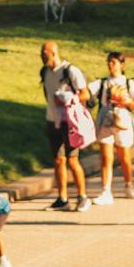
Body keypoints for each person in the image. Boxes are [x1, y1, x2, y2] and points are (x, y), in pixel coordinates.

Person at [40, 40, 92, 212]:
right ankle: (62, 198)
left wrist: (67, 98)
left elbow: (85, 93)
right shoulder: (45, 72)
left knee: (72, 159)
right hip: (52, 120)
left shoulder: (70, 71)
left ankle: (82, 196)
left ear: (53, 52)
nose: (42, 57)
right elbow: (48, 94)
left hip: (70, 122)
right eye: (41, 54)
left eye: (44, 54)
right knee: (58, 159)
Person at [92, 50, 134, 205]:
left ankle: (128, 185)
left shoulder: (128, 83)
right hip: (106, 121)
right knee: (106, 157)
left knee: (124, 157)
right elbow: (86, 91)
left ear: (122, 64)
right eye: (108, 61)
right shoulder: (102, 83)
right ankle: (106, 191)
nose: (110, 65)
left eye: (113, 62)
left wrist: (125, 101)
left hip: (123, 122)